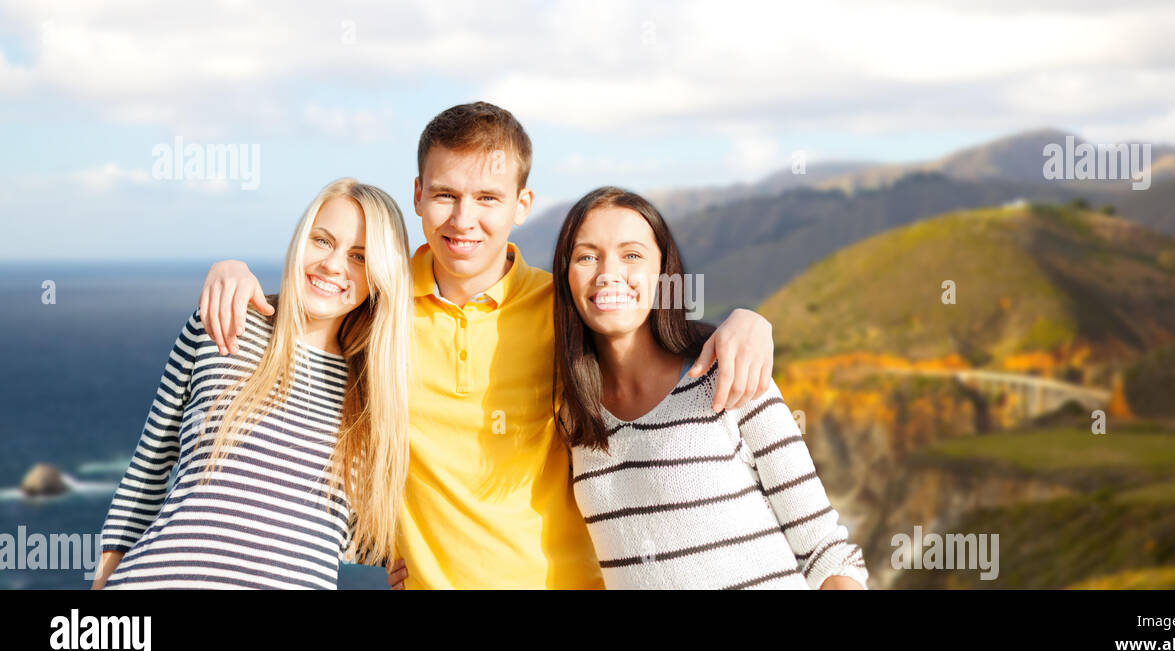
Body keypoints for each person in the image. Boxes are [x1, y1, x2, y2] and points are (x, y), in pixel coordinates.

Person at [196, 102, 777, 589]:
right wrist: (232, 274)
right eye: (445, 194)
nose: (463, 219)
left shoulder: (566, 311)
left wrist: (746, 322)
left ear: (522, 206)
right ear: (418, 196)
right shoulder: (379, 312)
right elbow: (313, 302)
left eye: (488, 198)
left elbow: (650, 335)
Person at [93, 178, 413, 589]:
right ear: (301, 239)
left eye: (359, 256)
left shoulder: (373, 394)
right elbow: (147, 472)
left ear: (379, 278)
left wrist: (408, 562)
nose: (333, 265)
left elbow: (352, 534)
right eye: (322, 241)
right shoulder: (226, 323)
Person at [552, 186, 868, 589]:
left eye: (631, 255)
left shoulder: (730, 375)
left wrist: (751, 319)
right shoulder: (571, 413)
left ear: (664, 272)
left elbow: (827, 553)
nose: (608, 273)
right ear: (566, 276)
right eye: (586, 256)